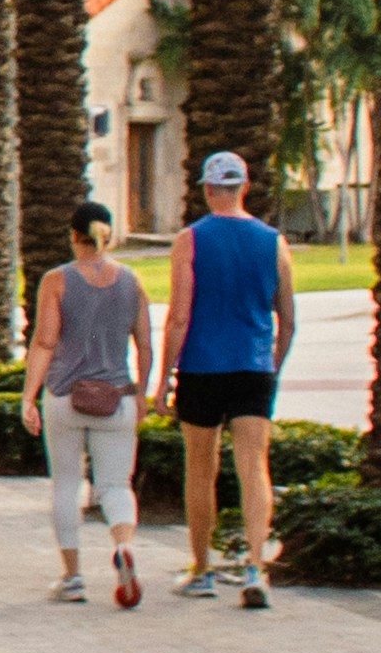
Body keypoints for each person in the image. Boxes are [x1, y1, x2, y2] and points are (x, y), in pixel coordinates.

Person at [161, 146, 300, 609]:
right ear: (244, 187)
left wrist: (164, 376)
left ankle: (201, 568)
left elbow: (178, 316)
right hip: (253, 367)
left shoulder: (190, 241)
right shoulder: (273, 241)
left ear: (206, 189)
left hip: (201, 366)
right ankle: (255, 567)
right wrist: (272, 365)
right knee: (253, 466)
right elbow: (289, 319)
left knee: (201, 467)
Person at [22, 196, 148, 611]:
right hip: (116, 399)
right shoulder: (132, 281)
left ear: (74, 237)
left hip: (65, 396)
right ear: (108, 236)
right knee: (115, 486)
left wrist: (29, 396)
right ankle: (124, 547)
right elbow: (144, 343)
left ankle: (73, 577)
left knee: (67, 485)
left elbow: (44, 341)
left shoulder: (57, 281)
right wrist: (142, 393)